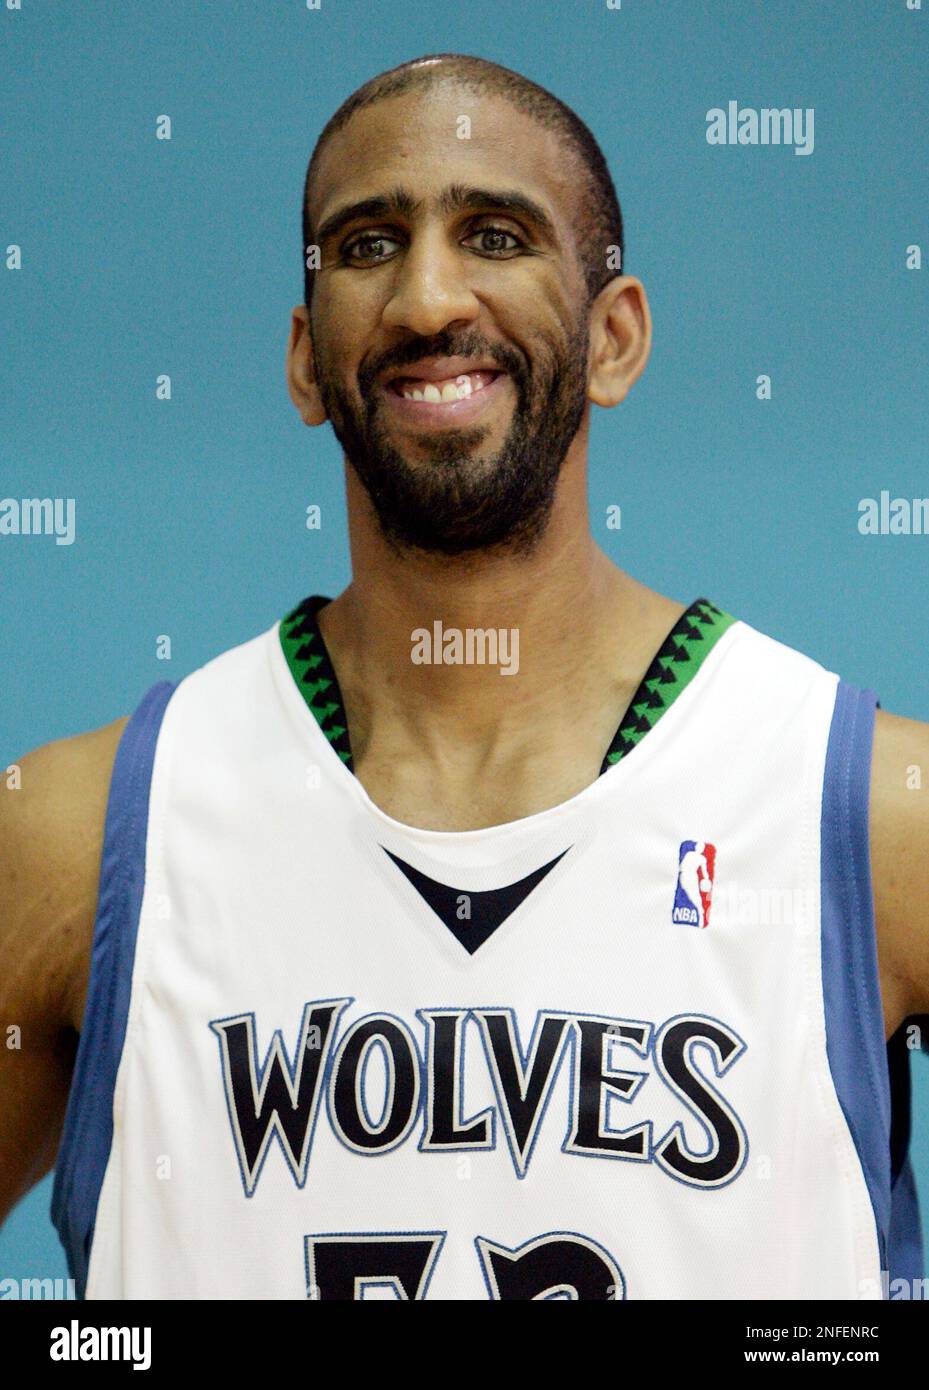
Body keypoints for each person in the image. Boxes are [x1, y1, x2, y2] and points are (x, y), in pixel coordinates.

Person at [1, 51, 926, 1301]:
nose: (428, 297)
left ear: (614, 336)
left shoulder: (869, 816)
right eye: (367, 246)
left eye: (493, 235)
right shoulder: (82, 829)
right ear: (302, 357)